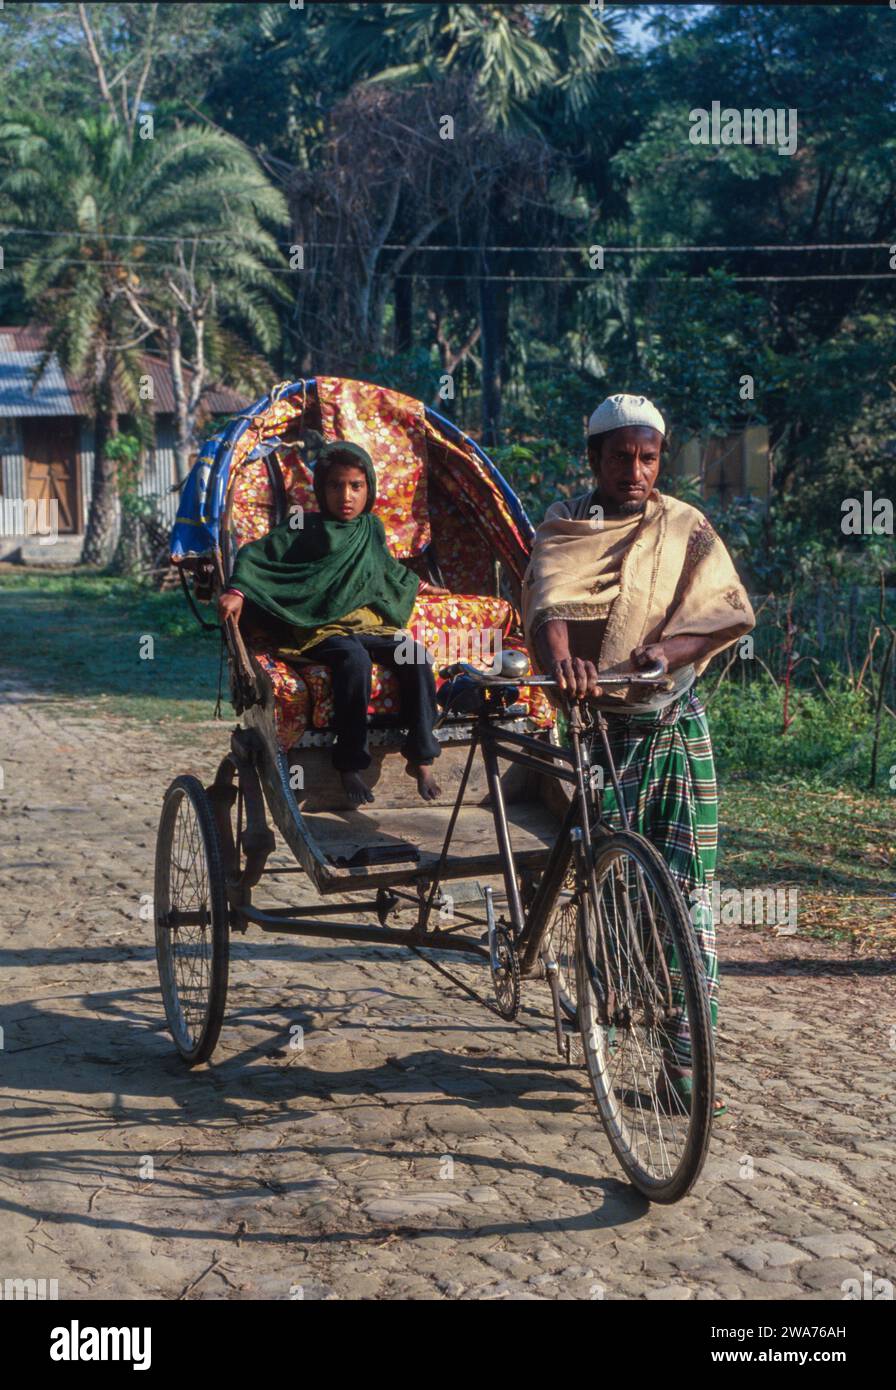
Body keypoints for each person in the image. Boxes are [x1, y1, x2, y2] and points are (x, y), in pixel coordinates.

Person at [522, 393, 755, 1116]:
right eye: (621, 456)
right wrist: (564, 667)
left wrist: (665, 652)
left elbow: (722, 613)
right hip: (599, 735)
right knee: (616, 885)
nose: (636, 470)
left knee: (688, 897)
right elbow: (549, 609)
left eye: (648, 457)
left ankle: (687, 1062)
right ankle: (616, 1006)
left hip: (676, 729)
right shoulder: (564, 529)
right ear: (594, 459)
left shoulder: (685, 528)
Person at [218, 440, 445, 806]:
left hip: (372, 626)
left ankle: (420, 757)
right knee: (353, 661)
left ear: (368, 488)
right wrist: (238, 591)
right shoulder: (304, 527)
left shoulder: (371, 528)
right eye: (336, 485)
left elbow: (386, 569)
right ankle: (349, 763)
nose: (346, 495)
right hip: (321, 627)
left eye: (356, 486)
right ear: (321, 490)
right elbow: (256, 557)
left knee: (415, 657)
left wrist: (421, 586)